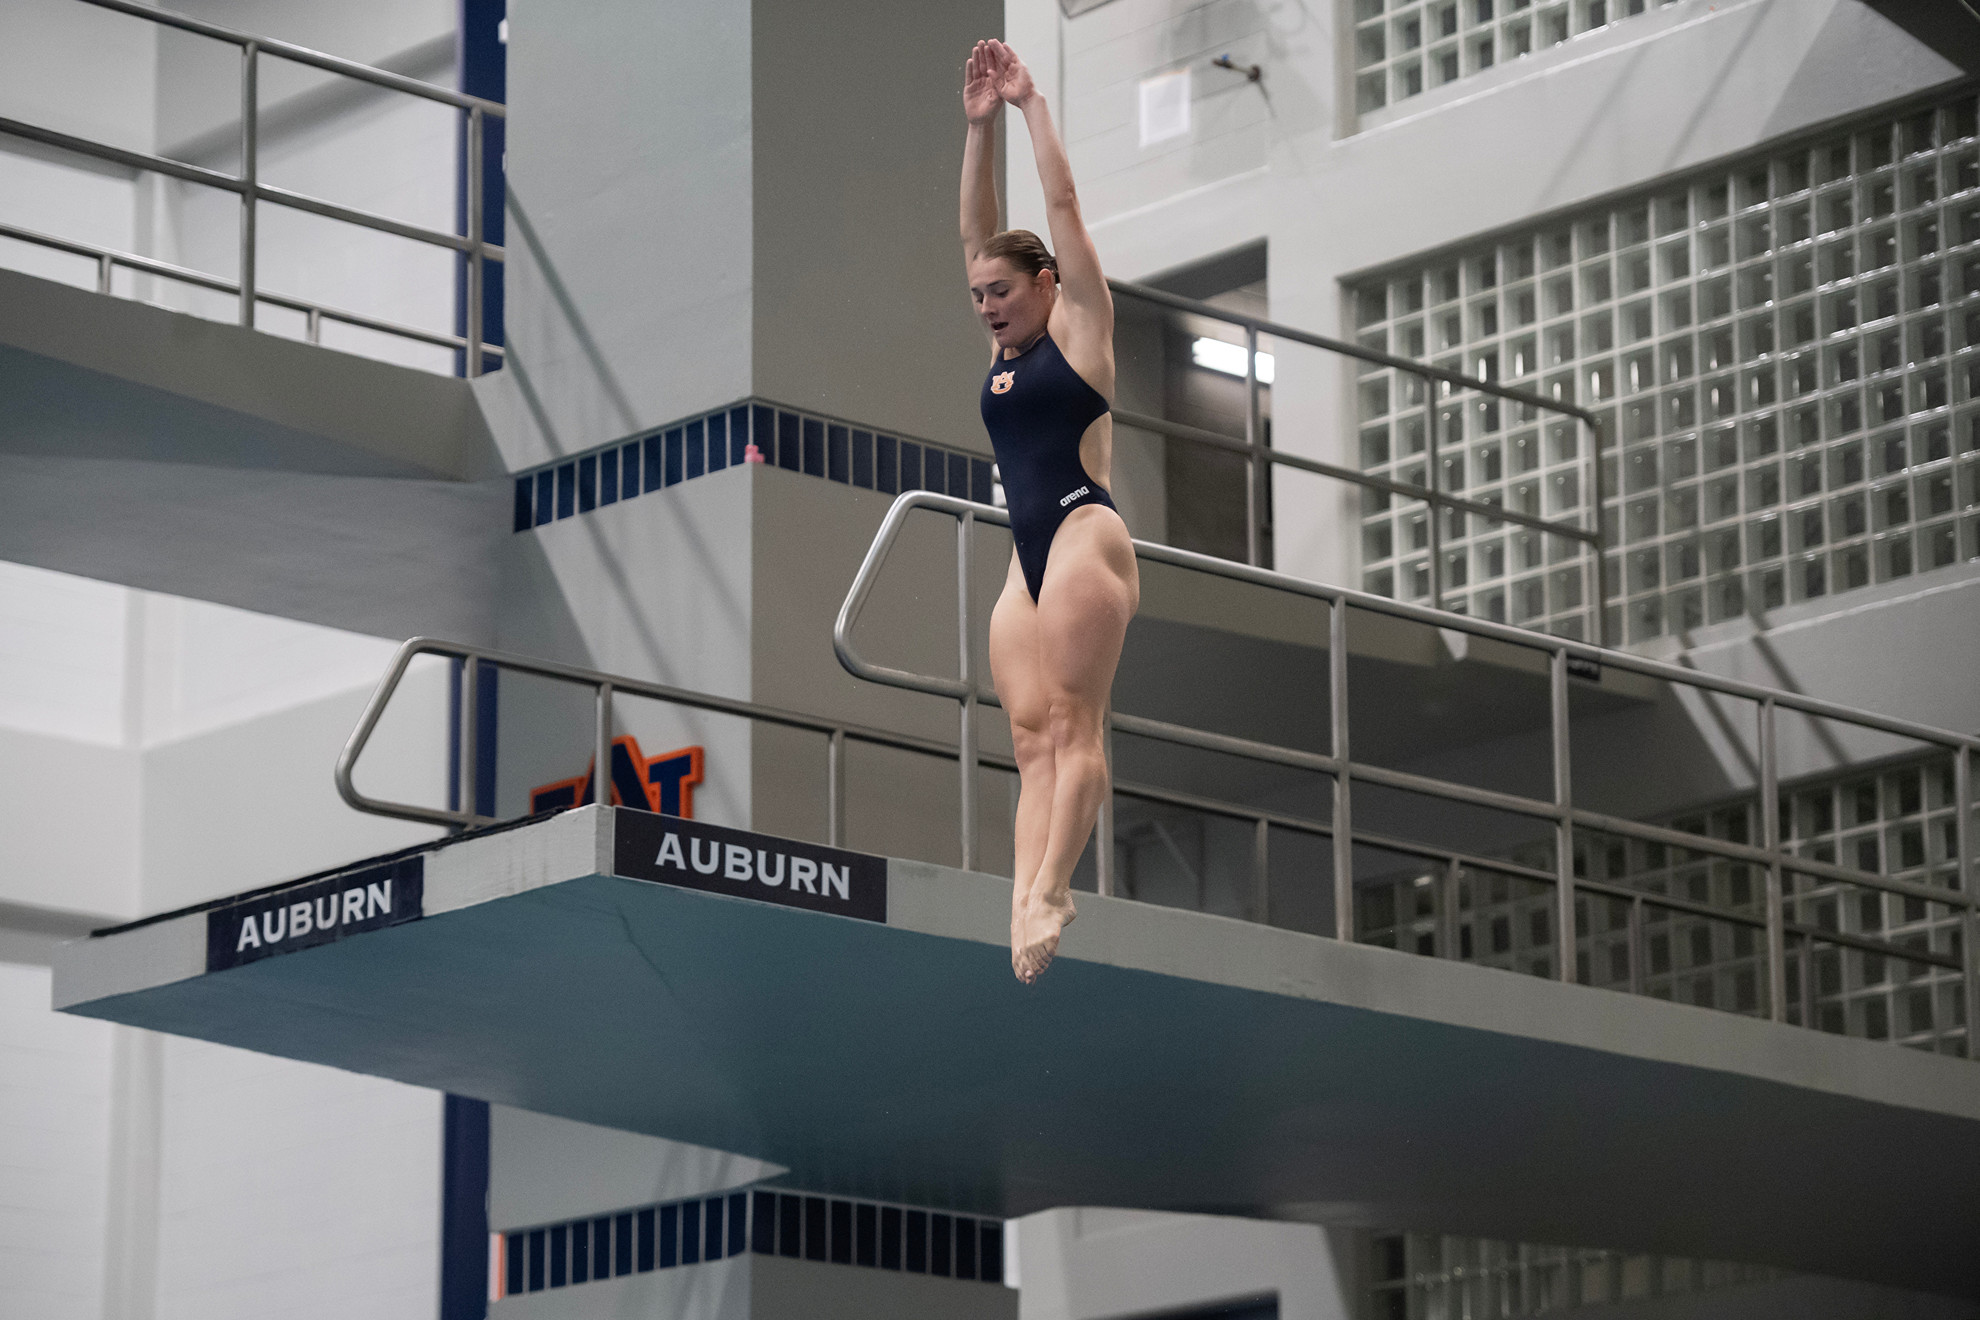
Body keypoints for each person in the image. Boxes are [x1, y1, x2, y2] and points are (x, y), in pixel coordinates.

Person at [961, 39, 1139, 985]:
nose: (987, 304)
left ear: (1046, 287)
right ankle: (1023, 888)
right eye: (979, 294)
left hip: (1081, 532)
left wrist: (1028, 109)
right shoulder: (999, 351)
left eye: (1002, 290)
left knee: (1074, 723)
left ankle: (1055, 889)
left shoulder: (1080, 326)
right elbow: (974, 231)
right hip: (1024, 552)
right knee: (1030, 739)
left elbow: (1060, 211)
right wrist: (976, 129)